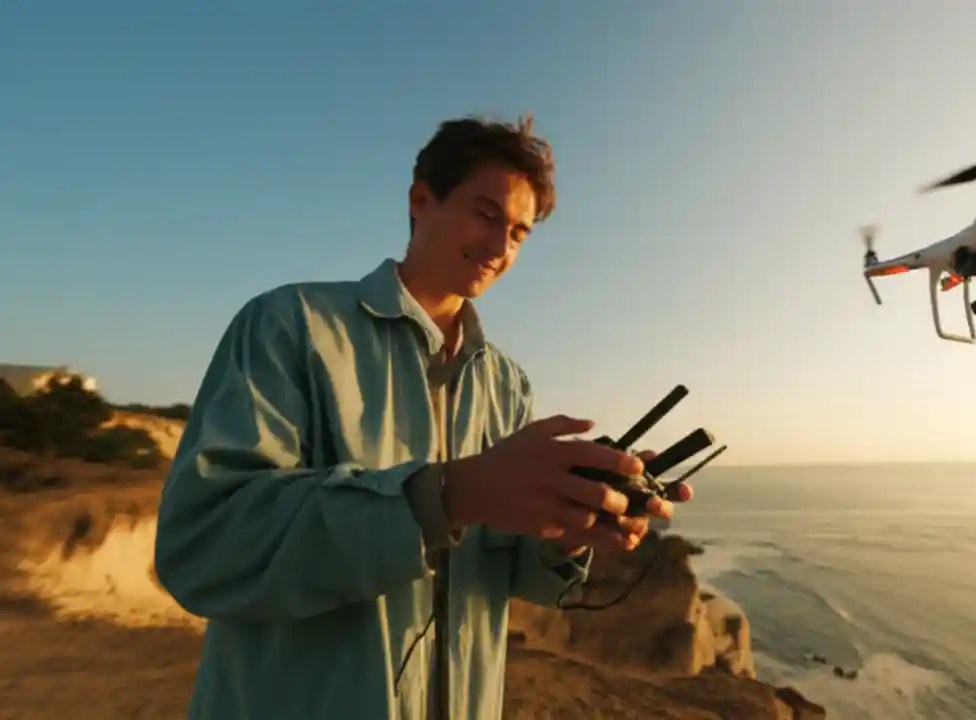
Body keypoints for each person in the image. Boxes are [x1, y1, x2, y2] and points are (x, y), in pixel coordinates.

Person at [153, 113, 693, 720]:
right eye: (485, 215)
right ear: (421, 201)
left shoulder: (508, 384)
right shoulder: (291, 325)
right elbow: (204, 546)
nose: (500, 248)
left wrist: (569, 531)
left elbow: (511, 576)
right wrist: (447, 495)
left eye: (519, 233)